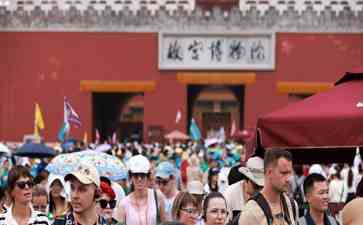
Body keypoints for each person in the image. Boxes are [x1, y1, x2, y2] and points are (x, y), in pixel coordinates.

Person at [238, 149, 298, 225]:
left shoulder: (291, 205)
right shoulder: (251, 212)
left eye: (290, 173)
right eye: (284, 173)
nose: (288, 179)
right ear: (269, 173)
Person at [115, 154, 166, 225]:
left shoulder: (157, 196)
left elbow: (164, 222)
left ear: (147, 176)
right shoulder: (124, 203)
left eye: (142, 175)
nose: (139, 179)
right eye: (136, 175)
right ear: (131, 177)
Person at [223, 156, 264, 221]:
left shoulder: (266, 194)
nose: (259, 190)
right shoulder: (230, 194)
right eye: (256, 186)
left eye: (262, 187)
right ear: (246, 180)